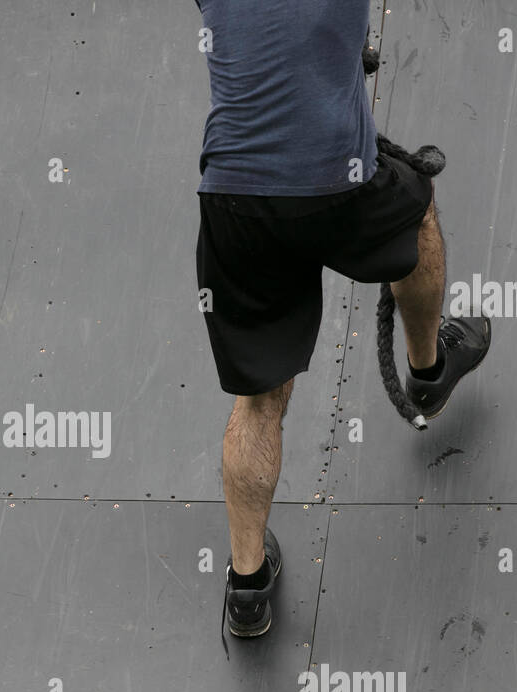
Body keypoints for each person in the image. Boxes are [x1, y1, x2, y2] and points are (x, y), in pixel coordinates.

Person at [194, 0, 492, 640]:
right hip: (339, 180)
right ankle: (428, 371)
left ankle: (247, 588)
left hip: (235, 195)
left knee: (259, 400)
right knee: (417, 211)